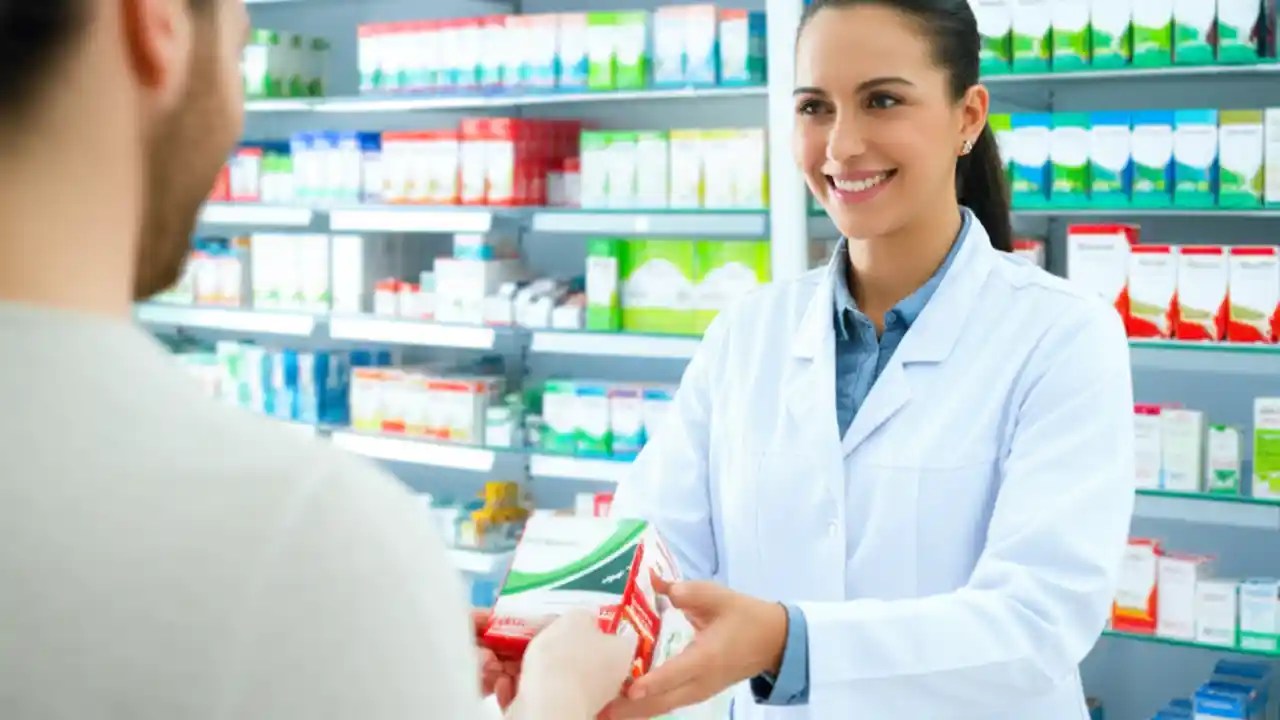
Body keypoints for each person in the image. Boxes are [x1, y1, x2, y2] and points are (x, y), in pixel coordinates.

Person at [0, 2, 632, 718]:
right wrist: (559, 698)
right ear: (158, 24)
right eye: (238, 53)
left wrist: (375, 646)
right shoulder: (306, 536)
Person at [605, 0, 1136, 718]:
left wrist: (789, 642)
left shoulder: (1062, 336)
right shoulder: (747, 334)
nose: (842, 144)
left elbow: (1038, 620)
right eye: (814, 107)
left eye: (882, 100)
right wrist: (540, 635)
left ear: (967, 118)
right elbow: (648, 555)